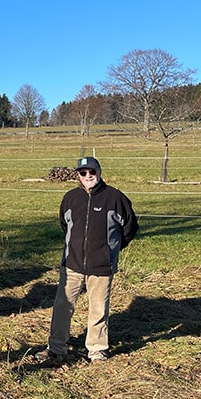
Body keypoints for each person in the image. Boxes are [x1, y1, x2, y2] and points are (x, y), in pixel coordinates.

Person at [34, 156, 139, 365]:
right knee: (62, 306)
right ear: (78, 175)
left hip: (102, 267)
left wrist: (111, 250)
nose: (88, 176)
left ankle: (97, 352)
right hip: (71, 264)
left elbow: (130, 228)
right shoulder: (70, 198)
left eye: (92, 172)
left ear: (99, 172)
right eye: (83, 173)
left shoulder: (115, 198)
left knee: (98, 309)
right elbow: (65, 225)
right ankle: (56, 348)